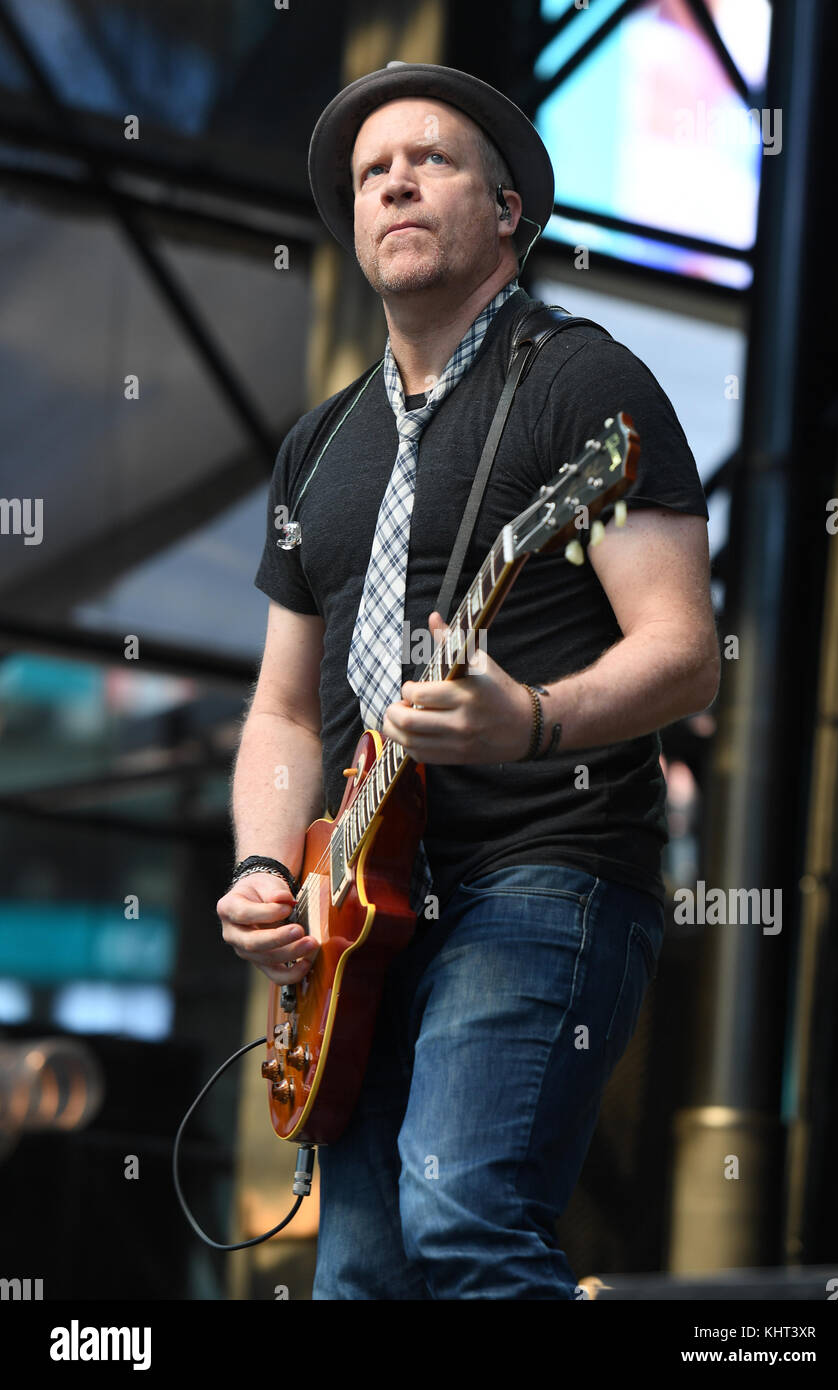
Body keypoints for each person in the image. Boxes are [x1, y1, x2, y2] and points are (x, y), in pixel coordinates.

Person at [217, 62, 719, 1299]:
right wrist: (265, 865)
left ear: (506, 209)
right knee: (361, 1277)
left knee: (463, 1220)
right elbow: (283, 705)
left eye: (428, 158)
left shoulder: (579, 386)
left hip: (539, 869)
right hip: (360, 917)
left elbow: (681, 648)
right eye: (369, 171)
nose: (391, 178)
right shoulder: (318, 444)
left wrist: (532, 717)